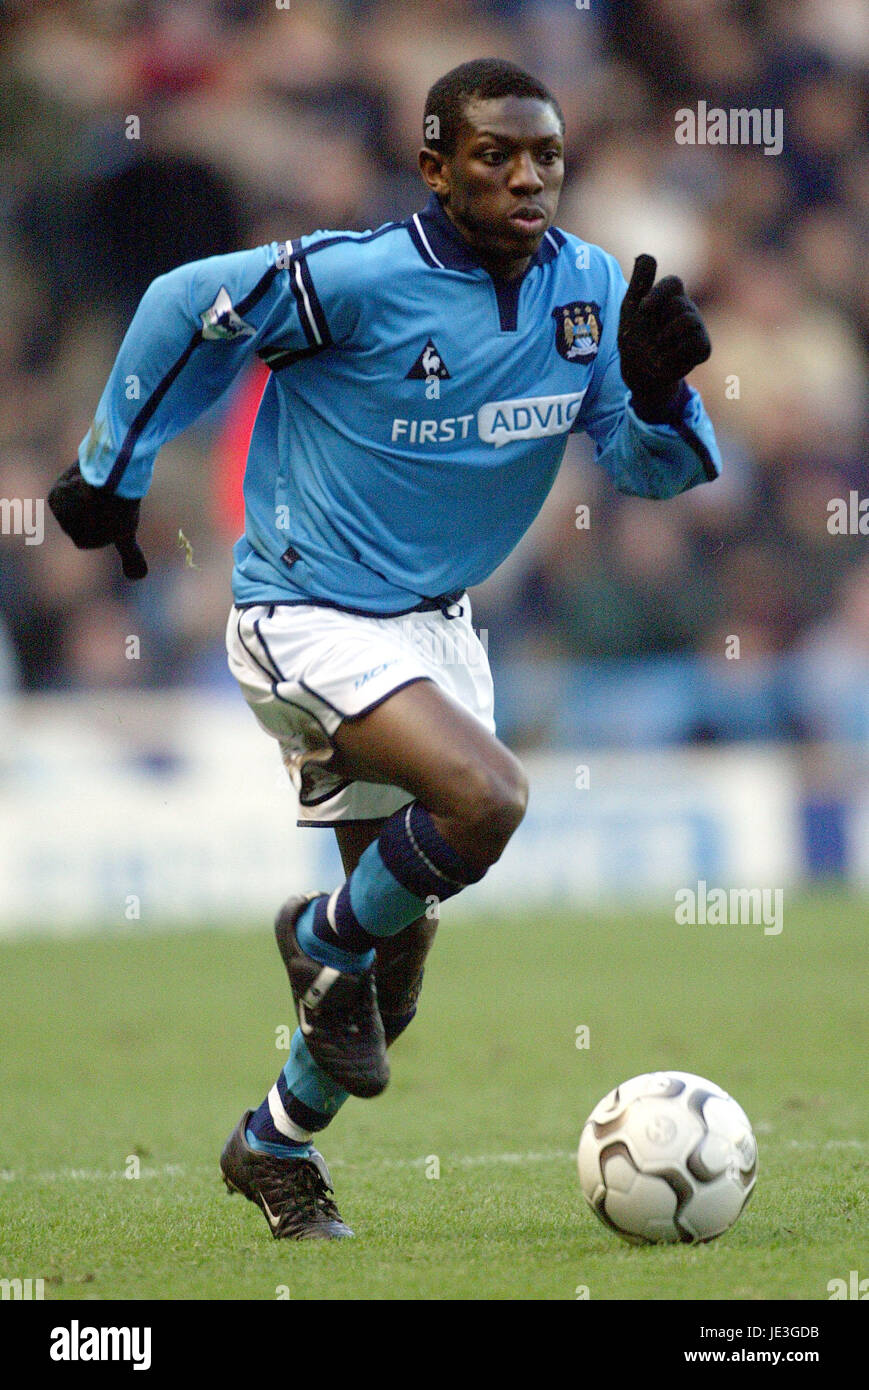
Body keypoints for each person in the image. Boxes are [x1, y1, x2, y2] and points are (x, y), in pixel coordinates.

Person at [48, 58, 719, 1240]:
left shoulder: (590, 288)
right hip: (304, 610)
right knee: (487, 800)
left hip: (435, 629)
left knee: (387, 987)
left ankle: (271, 1145)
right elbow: (180, 304)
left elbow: (647, 470)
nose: (525, 177)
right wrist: (115, 465)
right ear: (434, 165)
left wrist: (664, 398)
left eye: (545, 156)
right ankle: (313, 937)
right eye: (495, 154)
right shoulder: (356, 279)